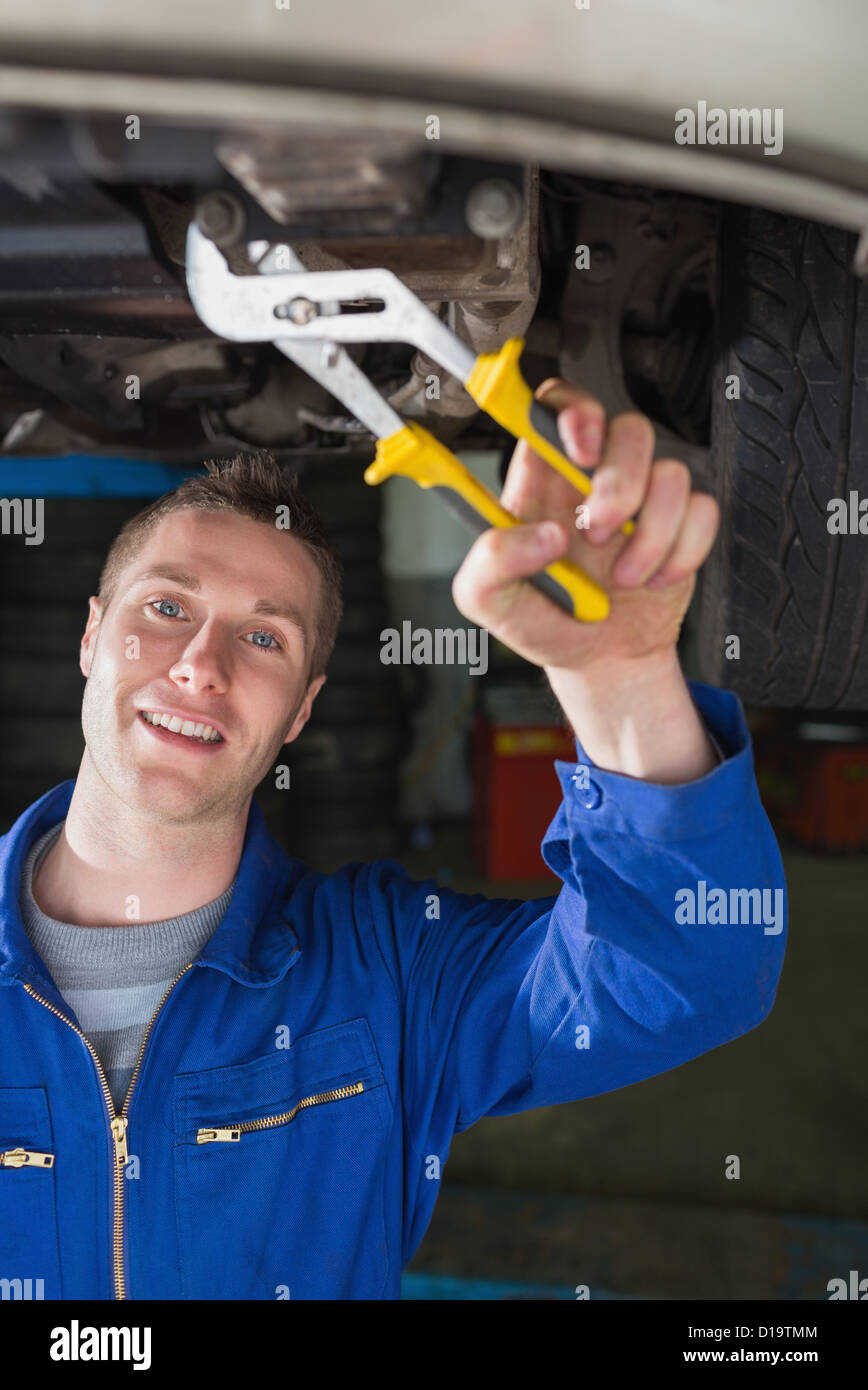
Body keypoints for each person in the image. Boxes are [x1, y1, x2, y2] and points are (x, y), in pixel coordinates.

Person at [0, 379, 786, 1300]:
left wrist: (623, 679)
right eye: (167, 608)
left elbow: (695, 973)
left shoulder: (389, 973)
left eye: (264, 638)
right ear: (93, 636)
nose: (200, 666)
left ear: (302, 712)